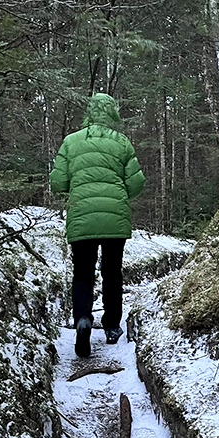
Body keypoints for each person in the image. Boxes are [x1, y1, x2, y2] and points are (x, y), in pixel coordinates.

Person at [50, 93, 145, 358]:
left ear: (89, 113)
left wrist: (77, 188)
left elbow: (58, 183)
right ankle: (112, 326)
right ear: (111, 113)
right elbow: (136, 183)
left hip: (81, 216)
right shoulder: (122, 143)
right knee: (112, 272)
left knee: (82, 273)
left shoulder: (71, 142)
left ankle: (83, 319)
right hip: (114, 216)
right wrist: (120, 195)